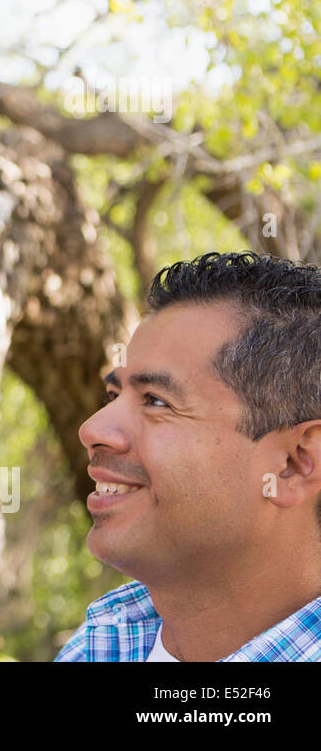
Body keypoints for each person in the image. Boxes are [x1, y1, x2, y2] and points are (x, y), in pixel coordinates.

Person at [57, 251, 321, 661]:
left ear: (295, 463)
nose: (92, 429)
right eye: (113, 395)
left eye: (156, 401)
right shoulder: (99, 646)